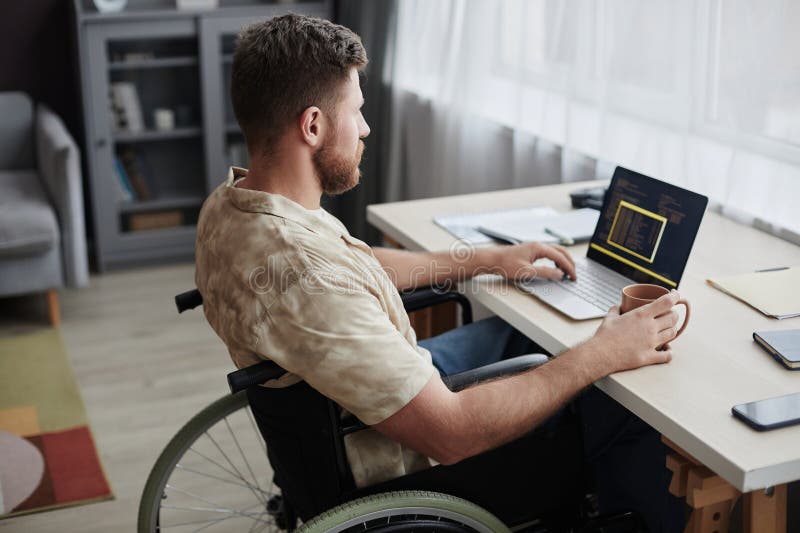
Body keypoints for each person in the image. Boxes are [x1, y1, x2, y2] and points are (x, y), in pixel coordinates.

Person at [195, 14, 684, 532]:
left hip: (354, 405)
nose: (365, 128)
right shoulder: (303, 272)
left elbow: (347, 270)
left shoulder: (235, 205)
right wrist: (603, 354)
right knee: (625, 406)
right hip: (402, 462)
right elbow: (451, 434)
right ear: (312, 125)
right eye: (356, 112)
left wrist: (482, 260)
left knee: (520, 334)